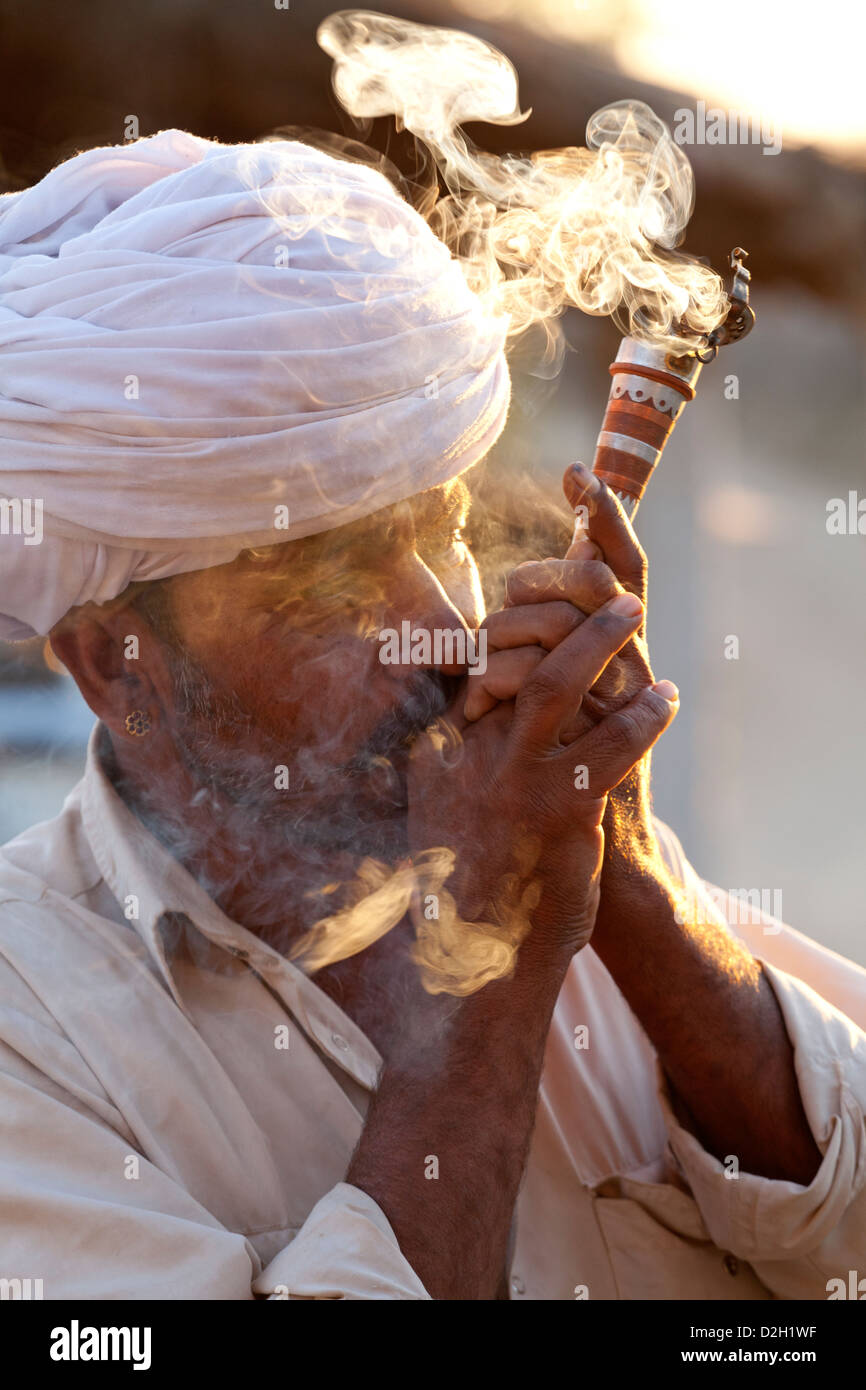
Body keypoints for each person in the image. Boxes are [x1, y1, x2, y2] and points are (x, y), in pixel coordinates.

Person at [0, 131, 864, 1301]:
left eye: (444, 528)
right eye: (330, 583)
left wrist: (634, 889)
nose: (450, 628)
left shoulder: (556, 850)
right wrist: (490, 958)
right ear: (116, 663)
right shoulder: (29, 1024)